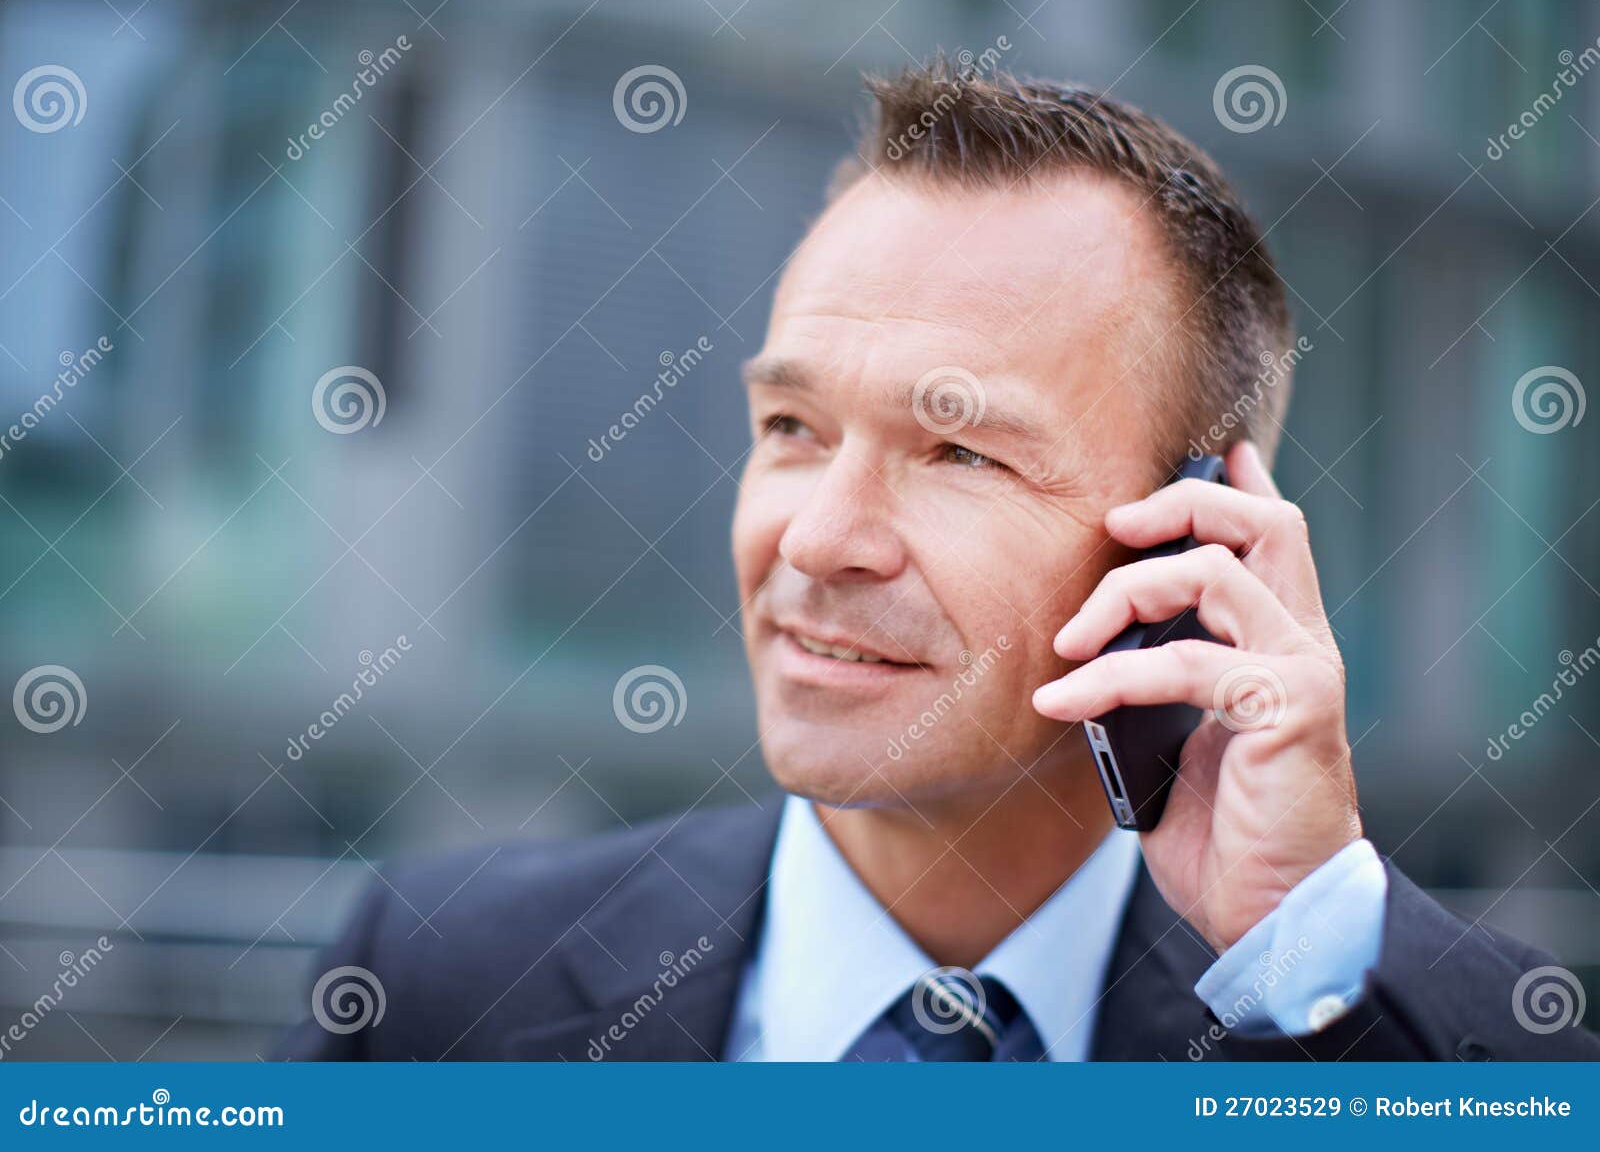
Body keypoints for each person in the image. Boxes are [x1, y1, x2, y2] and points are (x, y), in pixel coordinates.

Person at [279, 60, 1598, 1062]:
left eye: (960, 452)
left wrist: (1303, 940)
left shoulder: (1334, 1018)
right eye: (792, 428)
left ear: (1197, 535)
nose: (817, 538)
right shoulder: (437, 985)